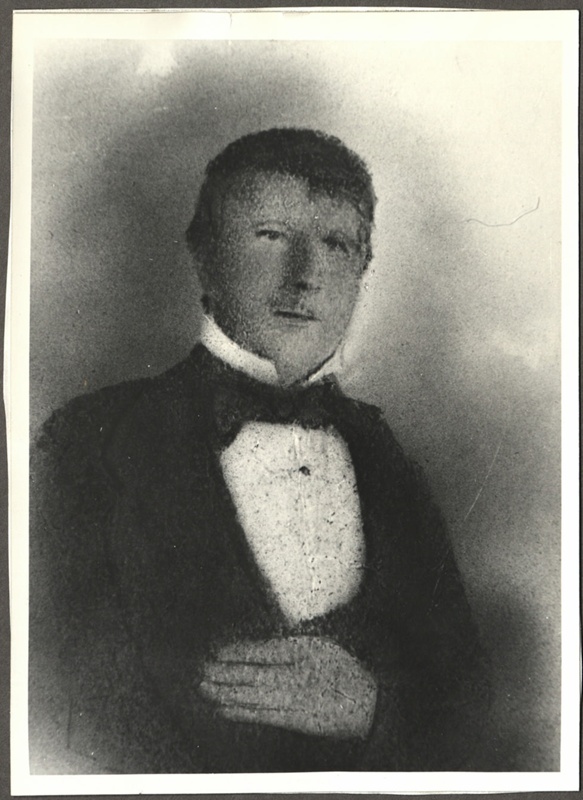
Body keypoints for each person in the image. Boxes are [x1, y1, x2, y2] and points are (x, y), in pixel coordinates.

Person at [29, 127, 489, 774]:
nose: (304, 277)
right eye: (270, 236)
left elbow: (467, 705)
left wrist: (374, 709)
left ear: (361, 270)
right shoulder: (88, 438)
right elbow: (51, 703)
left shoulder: (387, 459)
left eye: (335, 244)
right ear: (203, 253)